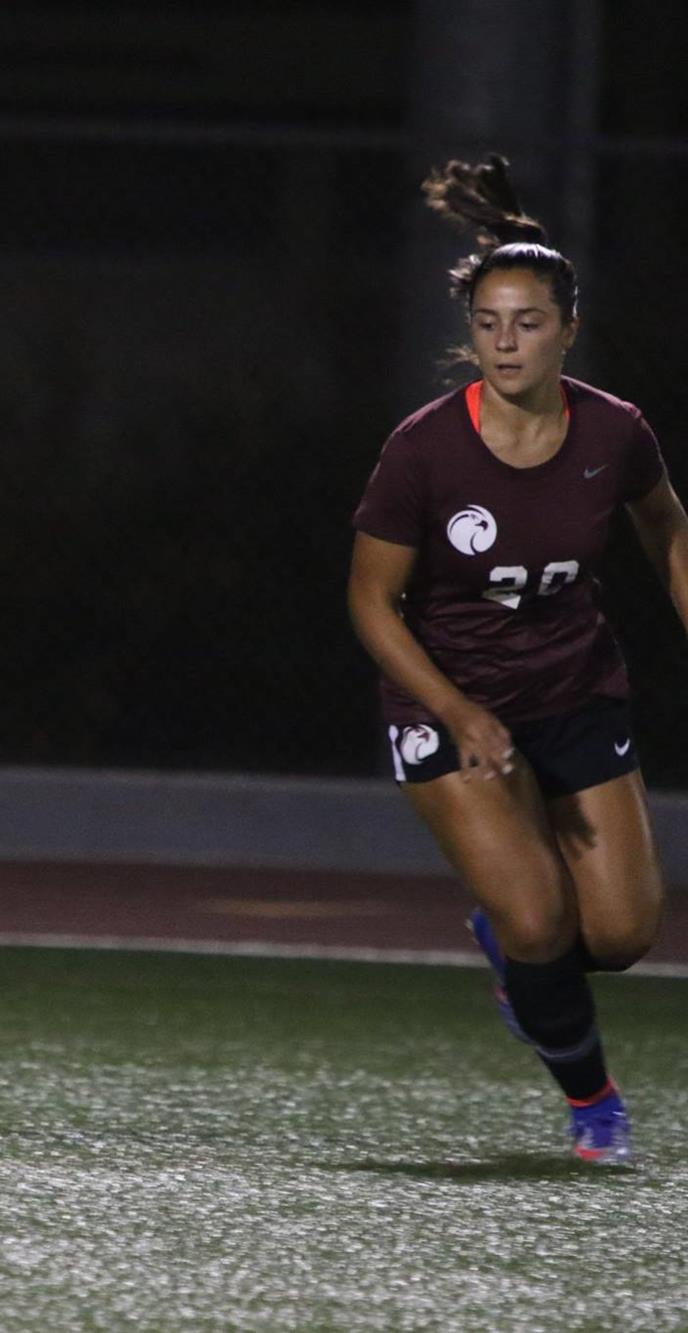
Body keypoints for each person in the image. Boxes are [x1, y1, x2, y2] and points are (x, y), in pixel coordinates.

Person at [348, 155, 682, 1166]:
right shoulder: (422, 450)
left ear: (566, 328)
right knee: (538, 920)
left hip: (572, 685)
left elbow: (665, 529)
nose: (503, 340)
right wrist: (454, 709)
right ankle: (592, 1103)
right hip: (443, 699)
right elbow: (369, 600)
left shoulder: (612, 431)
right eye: (487, 322)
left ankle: (520, 966)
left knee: (619, 935)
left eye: (526, 321)